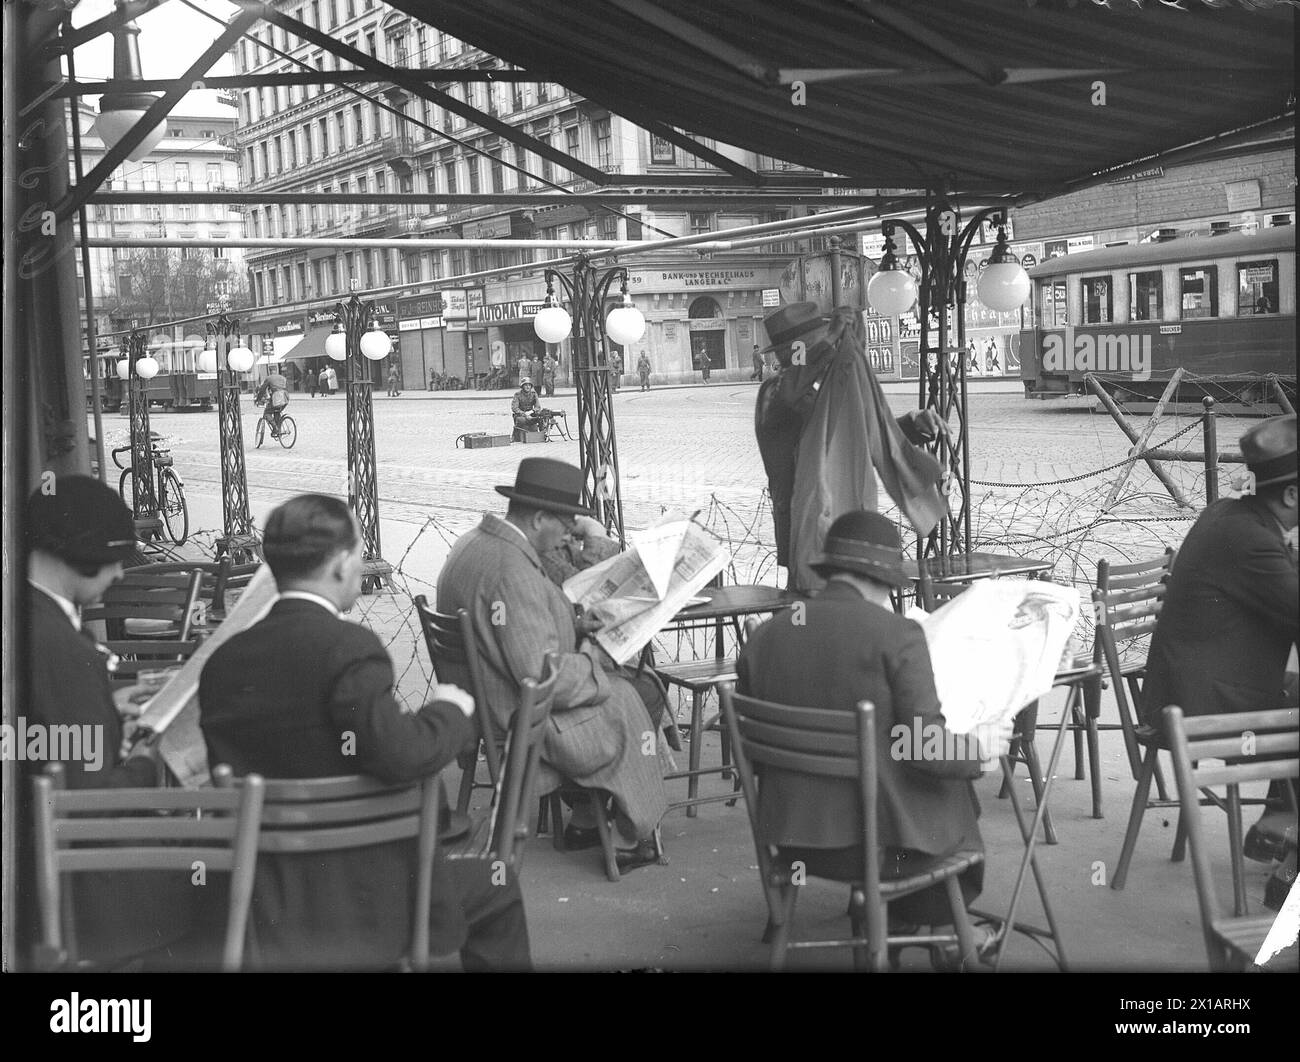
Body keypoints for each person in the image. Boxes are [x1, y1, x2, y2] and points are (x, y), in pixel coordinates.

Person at [199, 494, 530, 970]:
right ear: (339, 564)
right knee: (497, 884)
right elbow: (400, 757)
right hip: (363, 896)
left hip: (257, 905)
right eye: (357, 552)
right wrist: (449, 712)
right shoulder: (350, 650)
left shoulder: (223, 663)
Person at [736, 510, 1010, 946]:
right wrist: (980, 750)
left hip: (788, 842)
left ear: (831, 572)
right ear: (884, 580)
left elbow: (750, 755)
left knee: (918, 773)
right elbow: (925, 748)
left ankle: (911, 923)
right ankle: (943, 930)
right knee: (954, 787)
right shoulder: (897, 635)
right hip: (879, 854)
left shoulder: (766, 637)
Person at [436, 458, 669, 873]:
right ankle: (631, 831)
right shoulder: (512, 571)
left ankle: (589, 817)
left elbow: (511, 629)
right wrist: (596, 660)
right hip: (520, 717)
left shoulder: (475, 543)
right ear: (538, 518)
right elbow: (544, 678)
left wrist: (573, 621)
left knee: (628, 686)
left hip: (485, 699)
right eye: (564, 523)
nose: (569, 533)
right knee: (635, 692)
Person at [17, 476, 183, 968]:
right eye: (113, 559)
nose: (117, 575)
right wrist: (150, 758)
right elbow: (95, 800)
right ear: (81, 552)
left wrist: (106, 708)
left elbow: (43, 739)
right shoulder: (63, 650)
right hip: (85, 901)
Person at [1141, 414, 1297, 891]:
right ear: (1292, 495)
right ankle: (1286, 859)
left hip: (1185, 688)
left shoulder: (1229, 514)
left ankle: (1277, 828)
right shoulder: (1252, 541)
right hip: (1199, 707)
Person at [754, 301, 948, 592]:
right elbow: (797, 397)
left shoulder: (820, 387)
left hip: (846, 521)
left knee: (849, 602)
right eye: (811, 346)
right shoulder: (775, 395)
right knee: (807, 610)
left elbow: (852, 430)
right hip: (804, 527)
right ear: (790, 353)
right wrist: (831, 341)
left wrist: (911, 425)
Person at [255, 371, 290, 436]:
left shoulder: (269, 378)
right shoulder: (283, 378)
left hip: (276, 397)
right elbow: (287, 388)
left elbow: (262, 390)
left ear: (270, 373)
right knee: (277, 411)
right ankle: (277, 430)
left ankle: (275, 428)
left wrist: (258, 399)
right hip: (285, 398)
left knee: (267, 413)